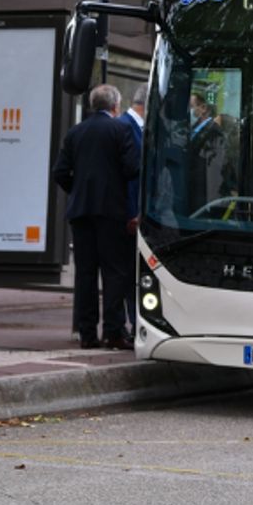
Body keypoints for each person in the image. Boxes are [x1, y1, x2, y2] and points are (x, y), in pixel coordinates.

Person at [52, 84, 140, 349]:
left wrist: (78, 190)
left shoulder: (76, 131)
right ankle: (113, 332)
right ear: (115, 106)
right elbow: (133, 167)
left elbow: (60, 172)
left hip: (81, 212)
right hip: (111, 211)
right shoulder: (121, 129)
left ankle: (87, 334)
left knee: (85, 274)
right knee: (113, 272)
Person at [111, 82, 148, 349]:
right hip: (128, 215)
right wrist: (132, 212)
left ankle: (138, 324)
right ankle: (129, 324)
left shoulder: (143, 127)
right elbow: (126, 177)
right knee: (126, 274)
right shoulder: (124, 126)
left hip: (143, 215)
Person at [187, 92, 226, 214]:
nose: (189, 111)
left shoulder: (214, 133)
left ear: (203, 108)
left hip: (204, 200)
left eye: (191, 106)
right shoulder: (191, 130)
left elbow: (215, 171)